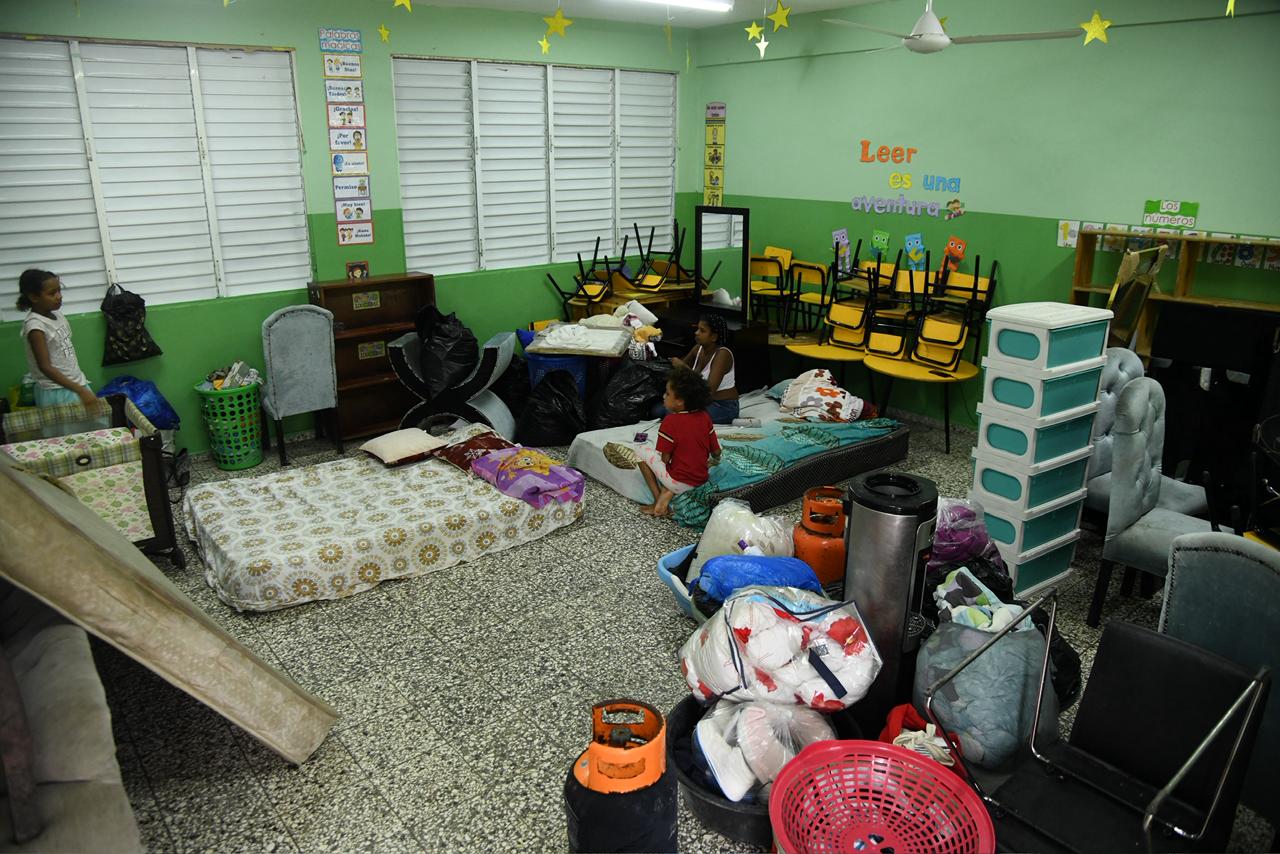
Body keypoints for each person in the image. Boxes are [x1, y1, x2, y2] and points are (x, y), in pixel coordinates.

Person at [635, 367, 720, 517]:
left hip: (679, 481)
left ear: (680, 401)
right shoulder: (705, 416)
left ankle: (658, 499)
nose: (663, 396)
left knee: (640, 451)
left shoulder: (670, 421)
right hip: (700, 479)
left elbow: (665, 458)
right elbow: (716, 452)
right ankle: (668, 492)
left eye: (667, 394)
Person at [17, 269, 95, 408]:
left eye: (59, 291)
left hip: (75, 383)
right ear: (34, 297)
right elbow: (45, 367)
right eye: (52, 293)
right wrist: (79, 390)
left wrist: (79, 386)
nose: (59, 296)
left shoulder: (57, 315)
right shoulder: (36, 326)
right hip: (57, 390)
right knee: (68, 430)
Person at [667, 312, 739, 424]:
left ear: (714, 337)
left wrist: (683, 367)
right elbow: (680, 374)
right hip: (700, 402)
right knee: (660, 409)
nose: (696, 333)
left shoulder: (722, 355)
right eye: (697, 329)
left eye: (702, 331)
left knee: (678, 416)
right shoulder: (698, 349)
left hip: (723, 406)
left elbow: (708, 391)